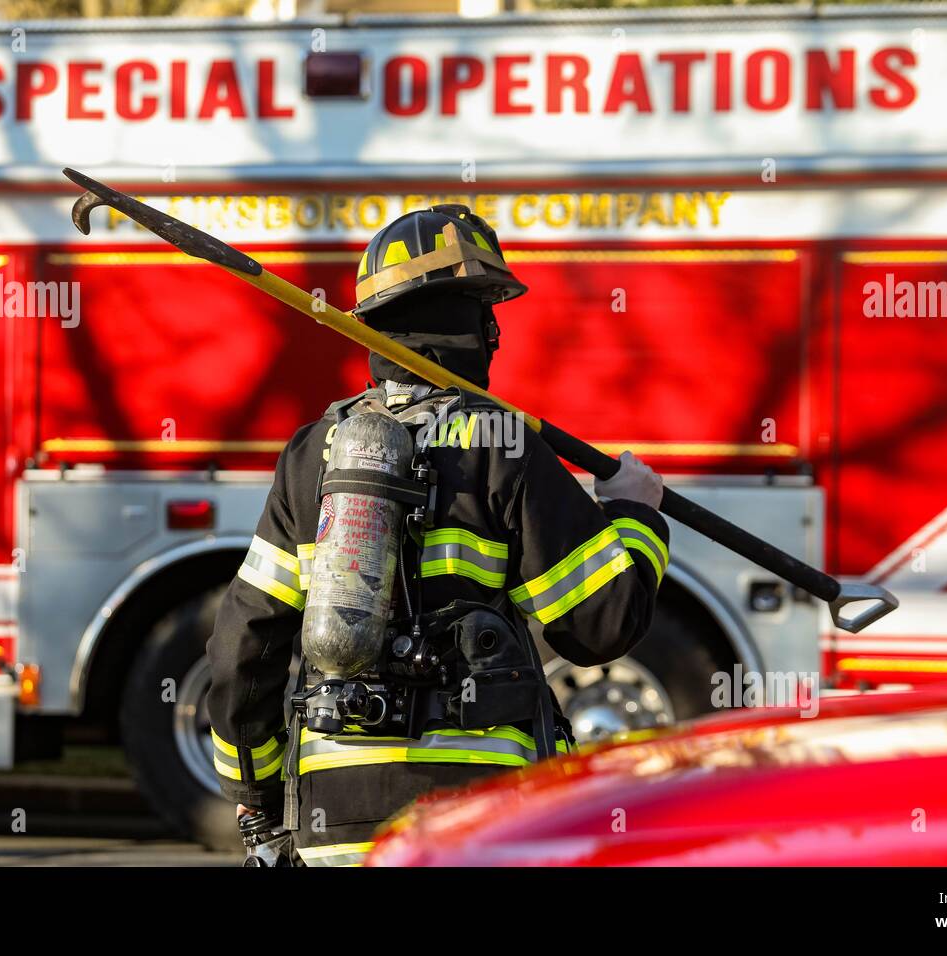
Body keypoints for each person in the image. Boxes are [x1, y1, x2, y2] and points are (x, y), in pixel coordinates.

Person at [206, 204, 668, 867]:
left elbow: (241, 647)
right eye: (487, 310)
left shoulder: (312, 454)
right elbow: (601, 625)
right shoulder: (502, 443)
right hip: (481, 824)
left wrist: (253, 795)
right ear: (467, 324)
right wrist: (637, 514)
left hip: (336, 827)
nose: (496, 329)